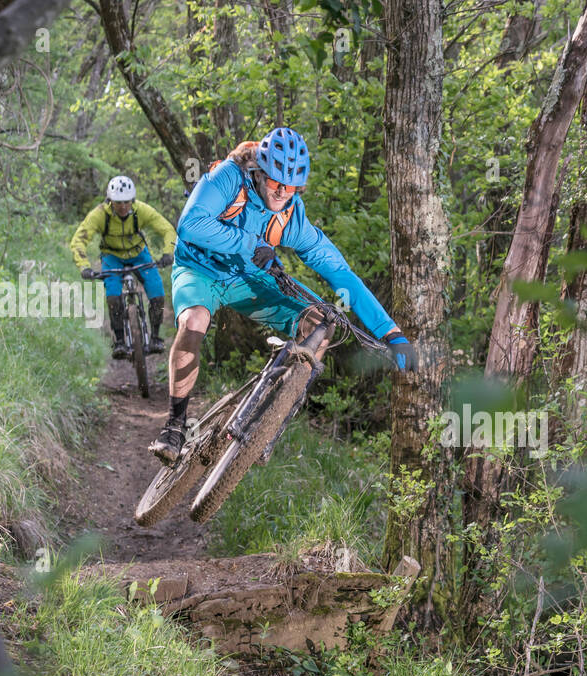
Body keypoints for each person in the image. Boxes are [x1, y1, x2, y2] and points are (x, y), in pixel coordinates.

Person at [148, 126, 415, 464]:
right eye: (276, 182)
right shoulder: (228, 178)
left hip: (248, 280)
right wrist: (250, 243)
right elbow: (190, 225)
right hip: (199, 270)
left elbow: (340, 273)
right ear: (260, 172)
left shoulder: (291, 216)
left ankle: (269, 423)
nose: (282, 192)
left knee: (321, 323)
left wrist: (390, 332)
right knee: (195, 321)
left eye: (291, 187)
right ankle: (174, 426)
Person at [70, 175, 177, 357]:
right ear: (110, 201)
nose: (123, 206)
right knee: (113, 296)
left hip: (139, 254)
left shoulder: (141, 210)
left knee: (157, 292)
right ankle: (119, 340)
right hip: (112, 256)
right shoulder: (100, 214)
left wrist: (168, 253)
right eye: (118, 202)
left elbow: (167, 229)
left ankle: (156, 337)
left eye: (127, 202)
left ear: (132, 200)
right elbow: (78, 240)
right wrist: (84, 267)